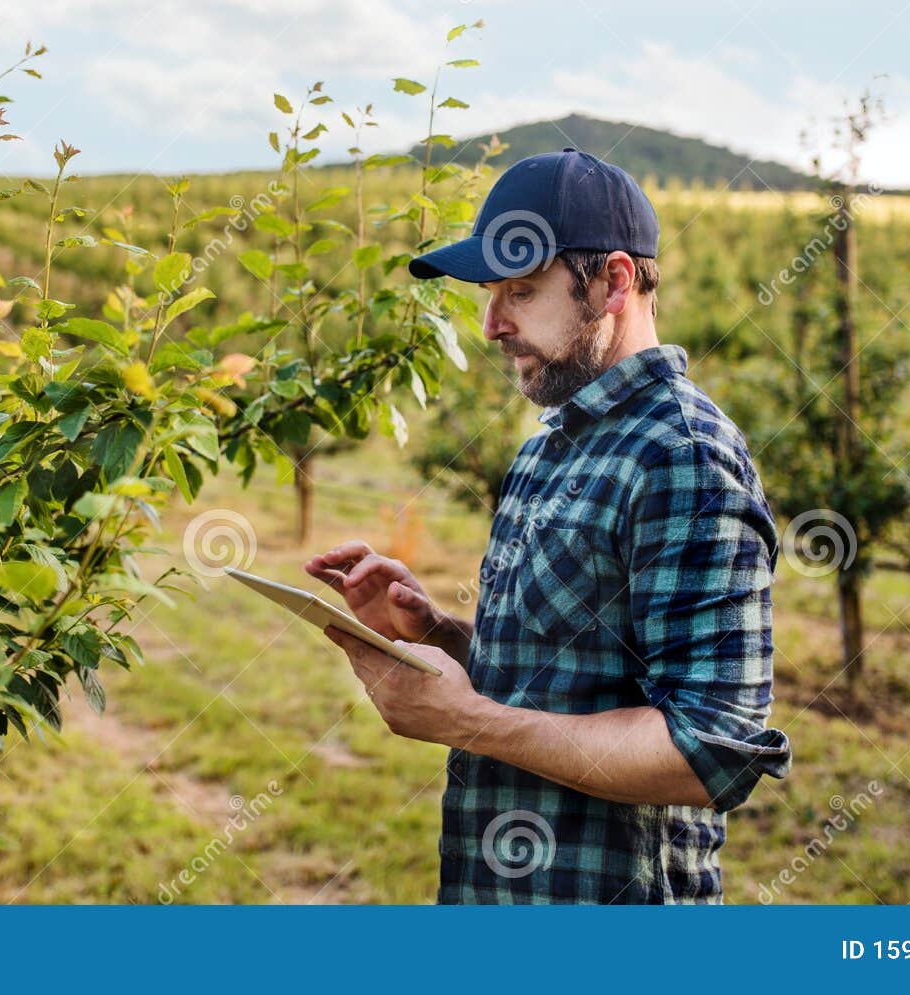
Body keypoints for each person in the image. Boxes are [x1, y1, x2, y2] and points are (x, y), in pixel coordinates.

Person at [304, 146, 791, 903]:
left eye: (522, 292)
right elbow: (563, 680)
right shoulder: (548, 448)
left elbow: (708, 752)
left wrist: (466, 722)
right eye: (491, 294)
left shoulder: (681, 458)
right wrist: (431, 628)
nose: (493, 324)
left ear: (614, 282)